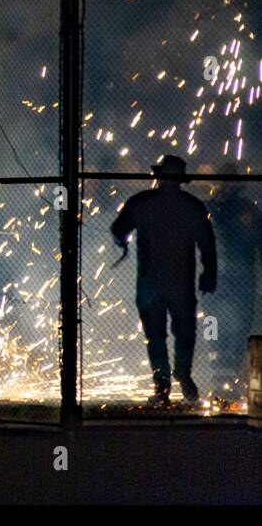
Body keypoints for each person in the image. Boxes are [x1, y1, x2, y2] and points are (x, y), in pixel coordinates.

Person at [110, 154, 216, 407]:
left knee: (155, 336)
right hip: (181, 282)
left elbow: (117, 231)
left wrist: (123, 243)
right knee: (185, 332)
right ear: (180, 180)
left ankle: (162, 385)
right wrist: (209, 272)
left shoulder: (141, 202)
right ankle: (183, 374)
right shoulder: (192, 205)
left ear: (158, 177)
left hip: (150, 284)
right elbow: (207, 244)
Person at [202, 162, 261, 396]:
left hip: (223, 283)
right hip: (225, 283)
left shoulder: (210, 209)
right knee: (224, 331)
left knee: (219, 330)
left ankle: (224, 384)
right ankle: (226, 384)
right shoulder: (246, 210)